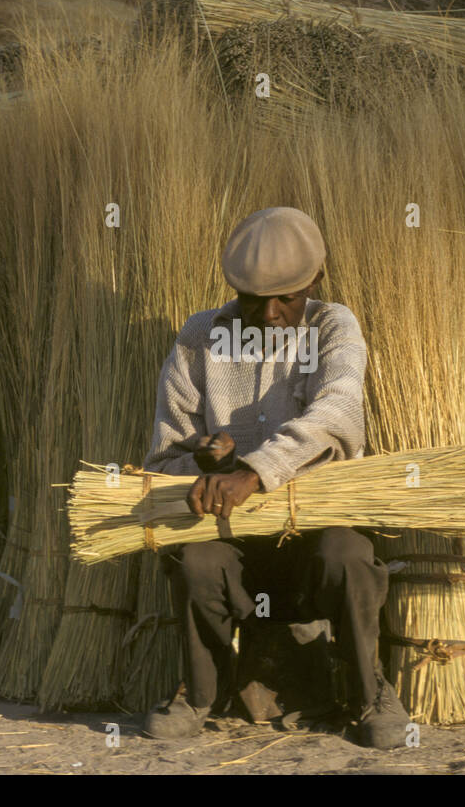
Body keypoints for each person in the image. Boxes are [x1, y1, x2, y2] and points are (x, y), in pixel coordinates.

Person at [139, 206, 410, 750]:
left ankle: (368, 693)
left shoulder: (335, 326)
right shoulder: (201, 336)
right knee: (195, 562)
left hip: (314, 530)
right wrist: (209, 461)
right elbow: (164, 457)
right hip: (231, 537)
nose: (269, 313)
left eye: (287, 297)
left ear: (316, 280)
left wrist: (255, 472)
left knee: (349, 557)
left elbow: (337, 416)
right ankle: (198, 695)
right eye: (252, 299)